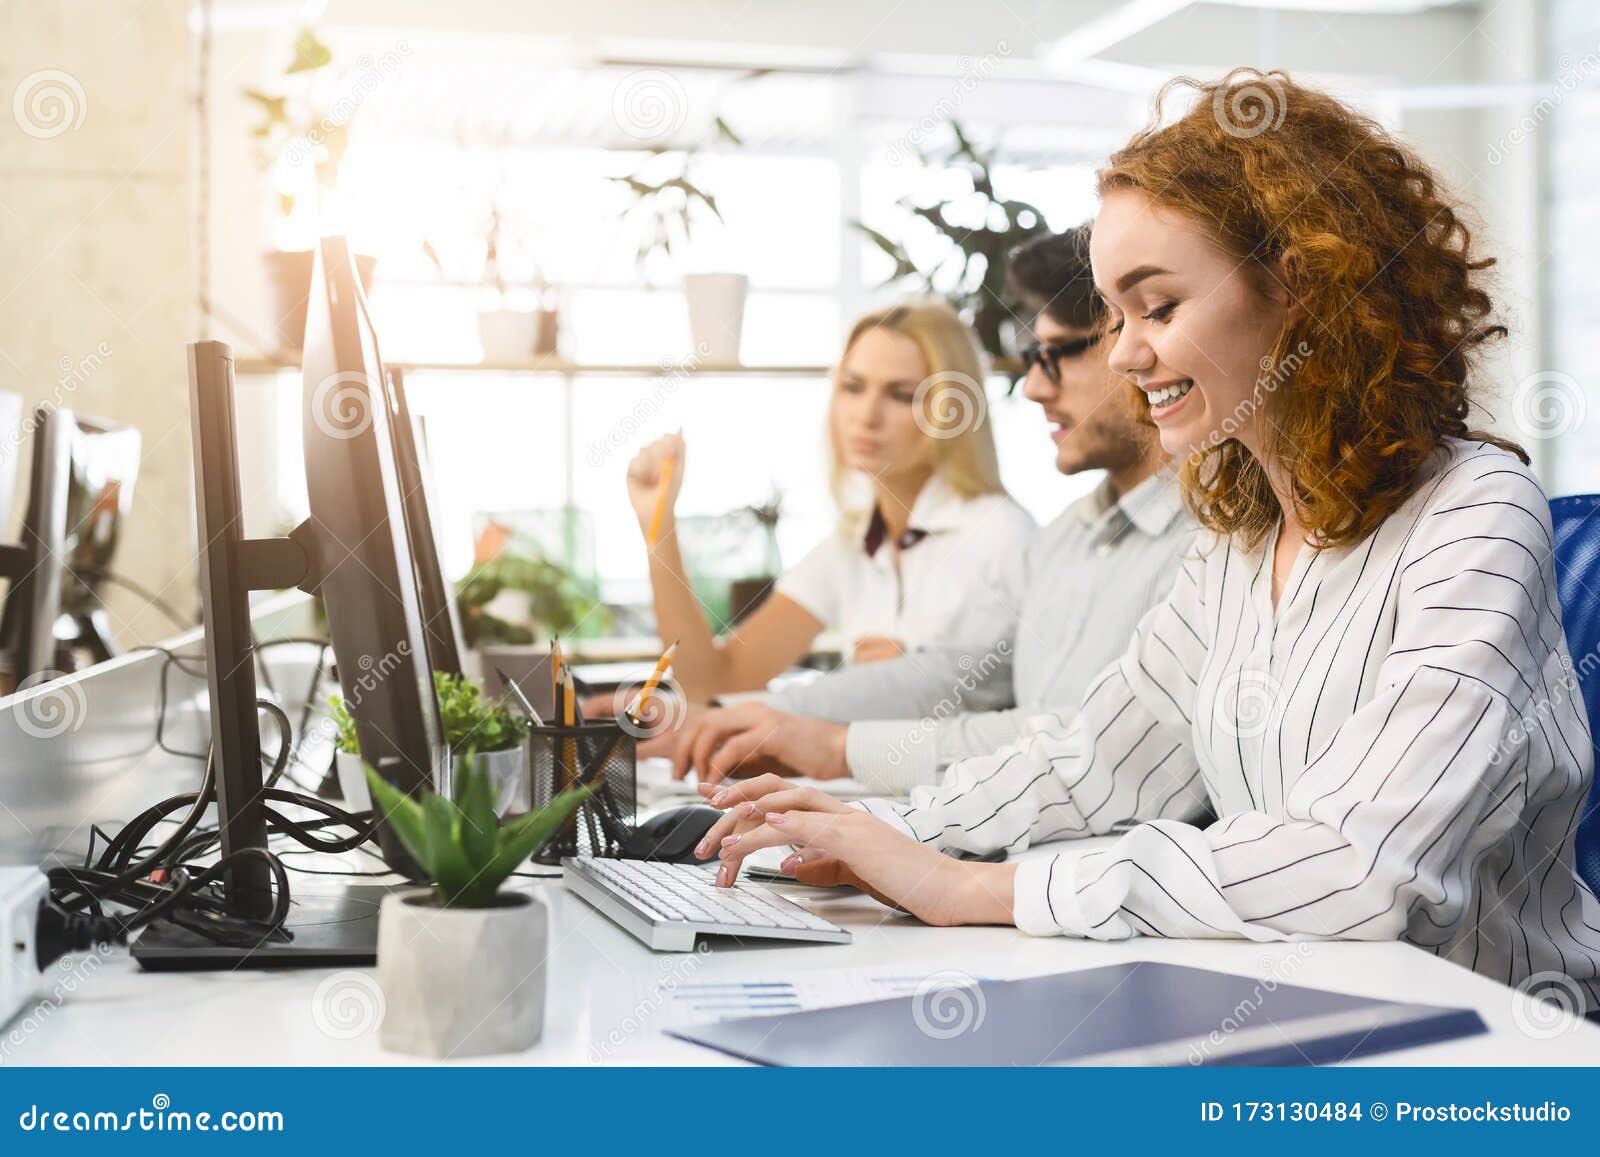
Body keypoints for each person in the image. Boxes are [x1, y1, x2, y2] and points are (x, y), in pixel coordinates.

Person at [695, 69, 1600, 1004]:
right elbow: (1098, 765)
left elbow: (1357, 865)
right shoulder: (1239, 543)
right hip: (1305, 1008)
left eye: (1158, 306)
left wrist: (971, 886)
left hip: (1492, 1037)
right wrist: (890, 831)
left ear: (1302, 288)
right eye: (1115, 315)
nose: (1124, 352)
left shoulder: (1476, 513)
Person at [672, 226, 1193, 792]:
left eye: (1060, 354)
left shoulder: (1198, 544)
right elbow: (961, 674)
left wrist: (836, 747)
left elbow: (1091, 745)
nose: (1034, 389)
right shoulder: (1067, 537)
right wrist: (765, 722)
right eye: (852, 387)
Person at [624, 301, 1033, 703]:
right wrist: (658, 527)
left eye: (901, 395)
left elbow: (1044, 714)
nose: (866, 415)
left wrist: (921, 680)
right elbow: (713, 683)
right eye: (853, 388)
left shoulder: (1004, 537)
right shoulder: (851, 543)